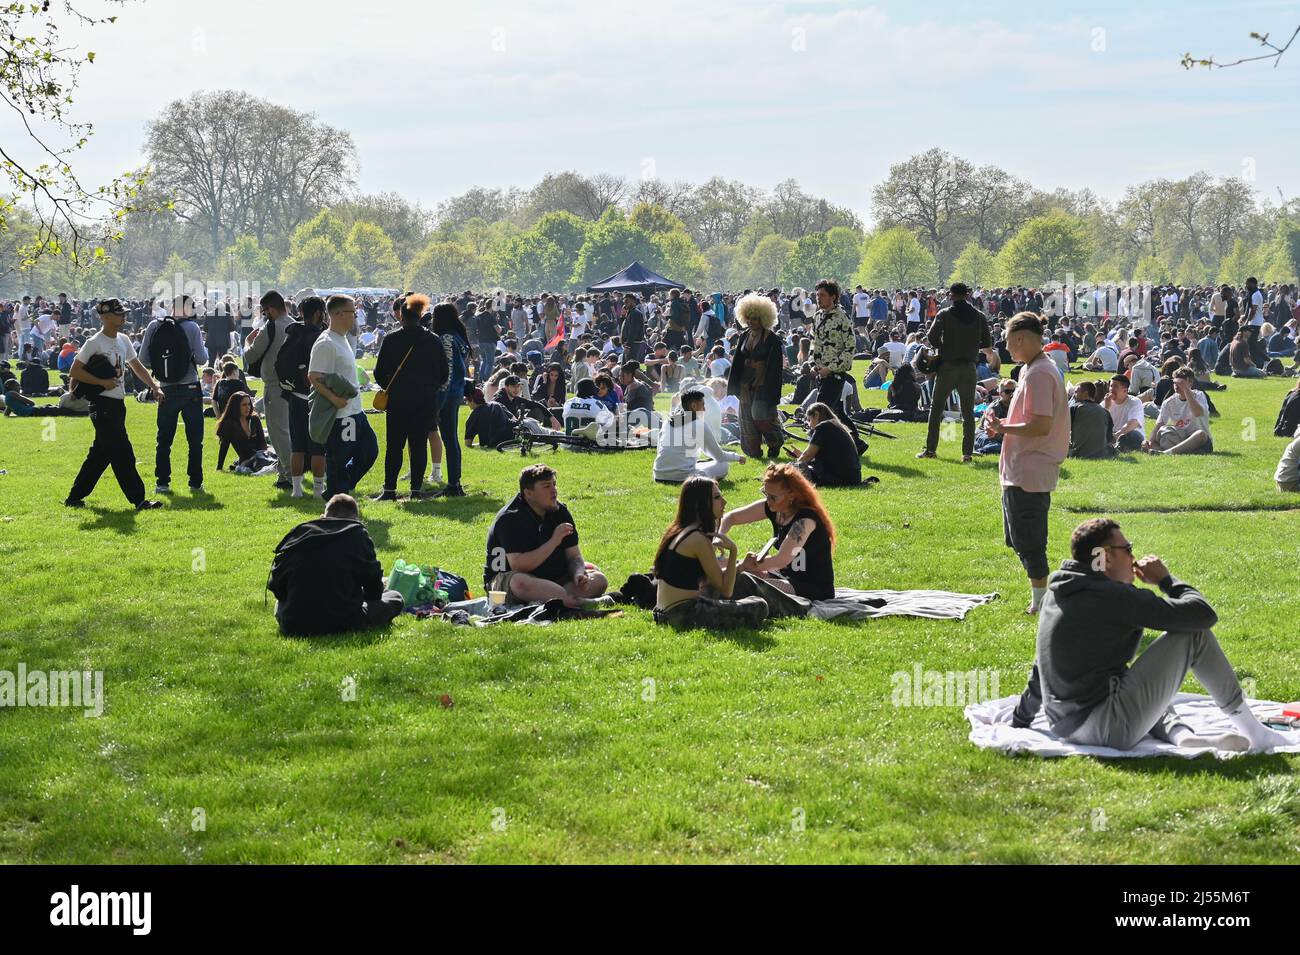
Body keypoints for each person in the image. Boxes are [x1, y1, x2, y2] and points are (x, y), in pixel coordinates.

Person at [1012, 518, 1288, 752]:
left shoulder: (1058, 591)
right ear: (1105, 557)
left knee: (1132, 677)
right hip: (1106, 728)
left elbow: (1042, 667)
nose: (1133, 556)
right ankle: (1256, 734)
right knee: (1193, 637)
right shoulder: (1113, 597)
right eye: (1127, 549)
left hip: (1062, 724)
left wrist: (1020, 720)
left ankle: (1184, 738)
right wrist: (1166, 581)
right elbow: (1203, 615)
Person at [984, 312, 1069, 615]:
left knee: (1030, 539)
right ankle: (1043, 597)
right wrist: (1002, 423)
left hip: (1031, 468)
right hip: (1021, 466)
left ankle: (1043, 601)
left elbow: (1040, 425)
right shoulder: (1031, 370)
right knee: (1018, 537)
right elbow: (1028, 420)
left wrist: (1003, 428)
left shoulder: (1039, 374)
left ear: (1020, 338)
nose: (1006, 348)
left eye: (1008, 341)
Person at [64, 299, 165, 511]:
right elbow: (75, 371)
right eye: (119, 314)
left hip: (118, 404)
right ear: (105, 317)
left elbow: (136, 366)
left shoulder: (124, 339)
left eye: (124, 314)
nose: (123, 317)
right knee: (123, 453)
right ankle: (139, 500)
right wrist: (101, 382)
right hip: (102, 404)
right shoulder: (94, 342)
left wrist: (154, 386)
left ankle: (74, 498)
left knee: (99, 456)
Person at [268, 493, 405, 637]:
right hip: (343, 621)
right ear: (356, 519)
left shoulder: (300, 534)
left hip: (293, 623)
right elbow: (374, 589)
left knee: (281, 603)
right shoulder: (357, 534)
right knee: (395, 597)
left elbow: (278, 588)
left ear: (323, 516)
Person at [483, 464, 608, 607]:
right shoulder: (511, 518)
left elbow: (574, 556)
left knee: (598, 579)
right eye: (546, 486)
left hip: (550, 580)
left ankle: (555, 598)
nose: (554, 491)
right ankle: (578, 602)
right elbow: (519, 565)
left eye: (554, 484)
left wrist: (578, 574)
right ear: (528, 493)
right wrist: (553, 541)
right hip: (507, 585)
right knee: (520, 583)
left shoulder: (559, 512)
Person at [652, 477, 768, 629]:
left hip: (664, 612)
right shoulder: (697, 539)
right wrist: (733, 551)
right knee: (760, 605)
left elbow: (710, 580)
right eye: (717, 497)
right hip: (684, 614)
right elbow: (726, 590)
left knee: (744, 580)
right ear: (701, 503)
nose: (724, 502)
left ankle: (805, 606)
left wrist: (740, 566)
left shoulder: (679, 531)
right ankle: (805, 608)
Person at [719, 462, 836, 601]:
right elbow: (730, 517)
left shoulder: (804, 521)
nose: (768, 501)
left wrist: (742, 566)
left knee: (744, 581)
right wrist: (718, 539)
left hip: (810, 587)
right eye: (765, 493)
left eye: (773, 497)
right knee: (724, 567)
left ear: (791, 495)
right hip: (783, 575)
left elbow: (781, 560)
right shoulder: (774, 507)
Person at [371, 294, 448, 501]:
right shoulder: (433, 340)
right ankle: (415, 490)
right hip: (425, 401)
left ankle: (389, 490)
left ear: (401, 317)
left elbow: (379, 372)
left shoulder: (391, 339)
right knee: (419, 445)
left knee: (394, 446)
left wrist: (391, 387)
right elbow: (444, 374)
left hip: (398, 400)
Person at [307, 295, 378, 501]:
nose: (356, 317)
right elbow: (314, 376)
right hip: (341, 416)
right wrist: (335, 399)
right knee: (339, 458)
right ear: (338, 314)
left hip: (356, 410)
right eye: (353, 313)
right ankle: (337, 497)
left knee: (369, 450)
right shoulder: (326, 343)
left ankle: (339, 488)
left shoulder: (343, 338)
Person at [140, 294, 209, 495]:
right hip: (190, 388)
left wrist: (164, 366)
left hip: (165, 389)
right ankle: (195, 482)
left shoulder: (154, 326)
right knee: (195, 440)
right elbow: (203, 359)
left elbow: (144, 359)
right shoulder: (192, 328)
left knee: (164, 440)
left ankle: (162, 482)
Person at [917, 282, 992, 463]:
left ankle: (931, 450)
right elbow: (987, 341)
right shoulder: (979, 316)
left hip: (948, 366)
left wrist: (946, 346)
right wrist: (971, 346)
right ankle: (967, 453)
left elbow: (932, 337)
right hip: (969, 368)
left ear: (951, 295)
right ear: (967, 294)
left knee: (936, 409)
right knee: (968, 412)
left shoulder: (945, 314)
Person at [242, 290, 295, 489]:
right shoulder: (295, 325)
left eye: (265, 311)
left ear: (271, 309)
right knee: (290, 431)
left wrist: (247, 342)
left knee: (278, 433)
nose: (264, 315)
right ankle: (284, 474)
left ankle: (290, 475)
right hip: (294, 386)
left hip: (275, 385)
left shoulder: (271, 327)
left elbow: (251, 355)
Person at [726, 293, 784, 460]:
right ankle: (755, 452)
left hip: (764, 385)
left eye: (755, 318)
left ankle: (775, 441)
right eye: (749, 318)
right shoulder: (744, 336)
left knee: (759, 415)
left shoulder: (772, 339)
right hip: (745, 384)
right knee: (746, 418)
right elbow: (738, 360)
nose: (751, 322)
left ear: (764, 319)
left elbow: (775, 367)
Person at [281, 295, 328, 499]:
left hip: (293, 395)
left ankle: (297, 490)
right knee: (318, 447)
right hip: (314, 396)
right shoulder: (320, 336)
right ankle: (318, 490)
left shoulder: (292, 332)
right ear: (319, 313)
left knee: (297, 445)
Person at [653, 387, 745, 483]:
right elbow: (719, 456)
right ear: (693, 406)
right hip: (683, 476)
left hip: (659, 474)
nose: (704, 409)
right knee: (723, 465)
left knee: (704, 462)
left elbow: (659, 449)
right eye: (703, 405)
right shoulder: (698, 424)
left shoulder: (667, 421)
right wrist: (737, 457)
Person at [810, 279, 858, 439]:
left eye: (822, 295)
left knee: (819, 412)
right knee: (836, 412)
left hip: (835, 374)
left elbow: (850, 347)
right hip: (820, 373)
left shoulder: (842, 317)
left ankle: (815, 446)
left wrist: (830, 368)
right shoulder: (817, 316)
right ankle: (856, 443)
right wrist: (813, 364)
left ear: (833, 297)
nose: (818, 298)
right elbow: (814, 343)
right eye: (817, 295)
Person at [431, 302, 470, 497]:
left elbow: (446, 373)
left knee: (449, 438)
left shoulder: (446, 338)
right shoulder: (459, 338)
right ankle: (455, 480)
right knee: (451, 438)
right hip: (457, 393)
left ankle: (454, 483)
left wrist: (437, 405)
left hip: (447, 395)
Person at [1144, 368, 1212, 454]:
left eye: (1180, 383)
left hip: (1199, 440)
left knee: (1201, 434)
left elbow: (1197, 413)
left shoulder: (1199, 395)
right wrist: (1149, 442)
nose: (1176, 385)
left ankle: (1166, 452)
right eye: (1174, 383)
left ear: (1190, 382)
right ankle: (1174, 451)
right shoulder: (1169, 402)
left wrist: (1186, 390)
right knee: (1163, 431)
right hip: (1179, 438)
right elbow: (1159, 425)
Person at [796, 402, 861, 486]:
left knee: (791, 470)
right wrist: (801, 456)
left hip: (837, 478)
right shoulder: (836, 426)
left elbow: (807, 455)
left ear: (816, 414)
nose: (810, 425)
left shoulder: (823, 427)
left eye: (809, 420)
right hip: (852, 478)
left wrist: (794, 465)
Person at [214, 390, 274, 472]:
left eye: (249, 404)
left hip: (262, 454)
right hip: (246, 460)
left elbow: (262, 442)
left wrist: (262, 455)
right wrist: (219, 467)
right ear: (236, 406)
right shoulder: (229, 424)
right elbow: (224, 446)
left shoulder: (254, 419)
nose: (248, 407)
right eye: (244, 405)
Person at [1067, 380, 1114, 459]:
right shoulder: (1105, 412)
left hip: (1078, 453)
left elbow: (1061, 430)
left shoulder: (1074, 408)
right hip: (1102, 454)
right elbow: (1109, 438)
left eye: (1076, 392)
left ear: (1085, 393)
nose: (1074, 395)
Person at [1101, 374, 1144, 452]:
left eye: (1115, 386)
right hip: (1112, 435)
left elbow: (1133, 423)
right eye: (1111, 386)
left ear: (1125, 390)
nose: (1111, 389)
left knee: (1132, 435)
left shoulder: (1135, 402)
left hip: (1128, 435)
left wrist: (1116, 436)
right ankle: (1112, 448)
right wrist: (1106, 408)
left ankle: (1113, 448)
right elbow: (1098, 423)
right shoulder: (1106, 402)